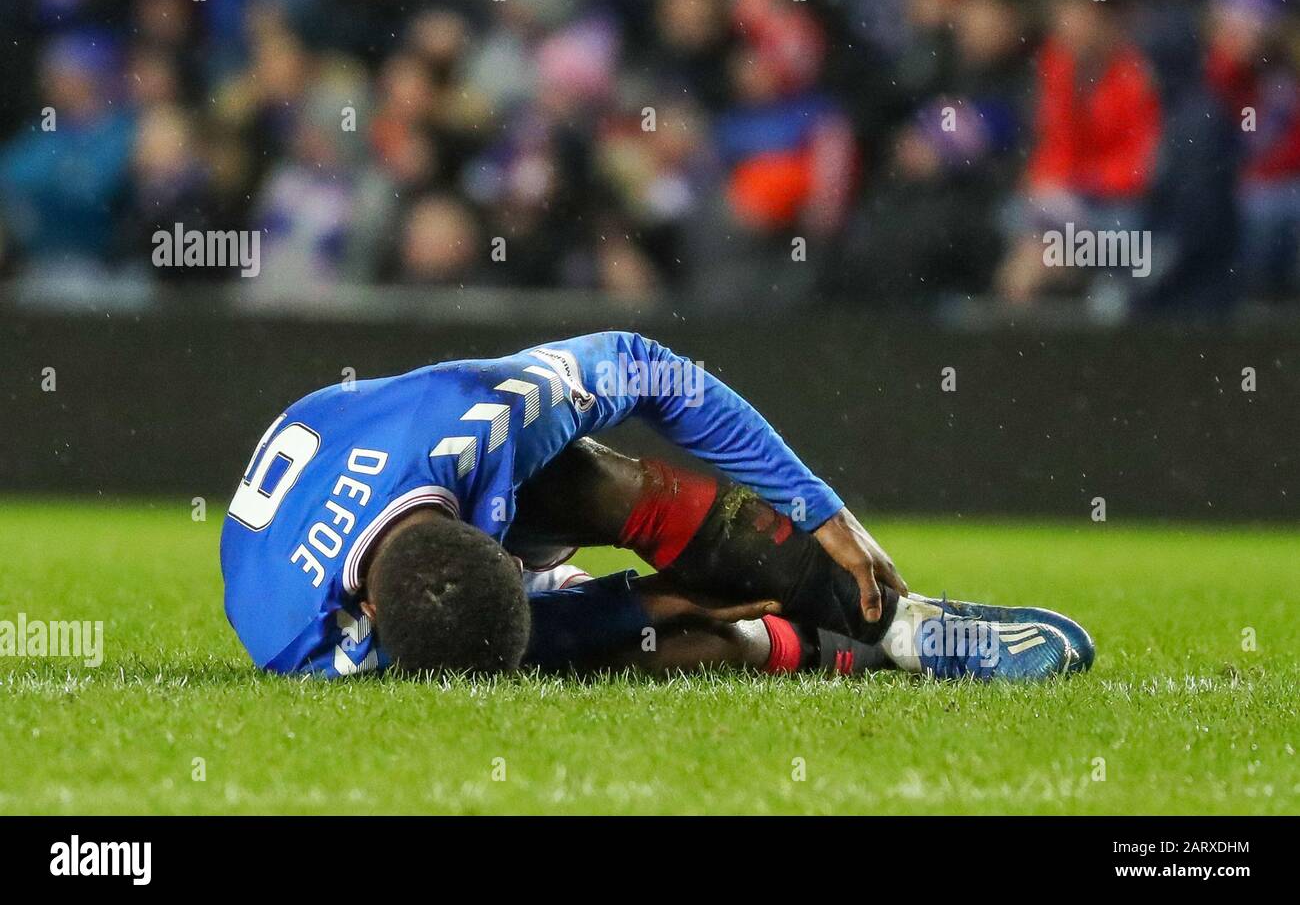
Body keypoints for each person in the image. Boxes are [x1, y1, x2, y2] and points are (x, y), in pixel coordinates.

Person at [220, 332, 1092, 680]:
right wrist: (640, 605)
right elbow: (542, 639)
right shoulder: (301, 639)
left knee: (599, 482)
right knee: (629, 650)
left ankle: (899, 623)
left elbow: (647, 366)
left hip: (410, 449)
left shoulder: (485, 421)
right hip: (383, 533)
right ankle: (833, 653)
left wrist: (819, 507)